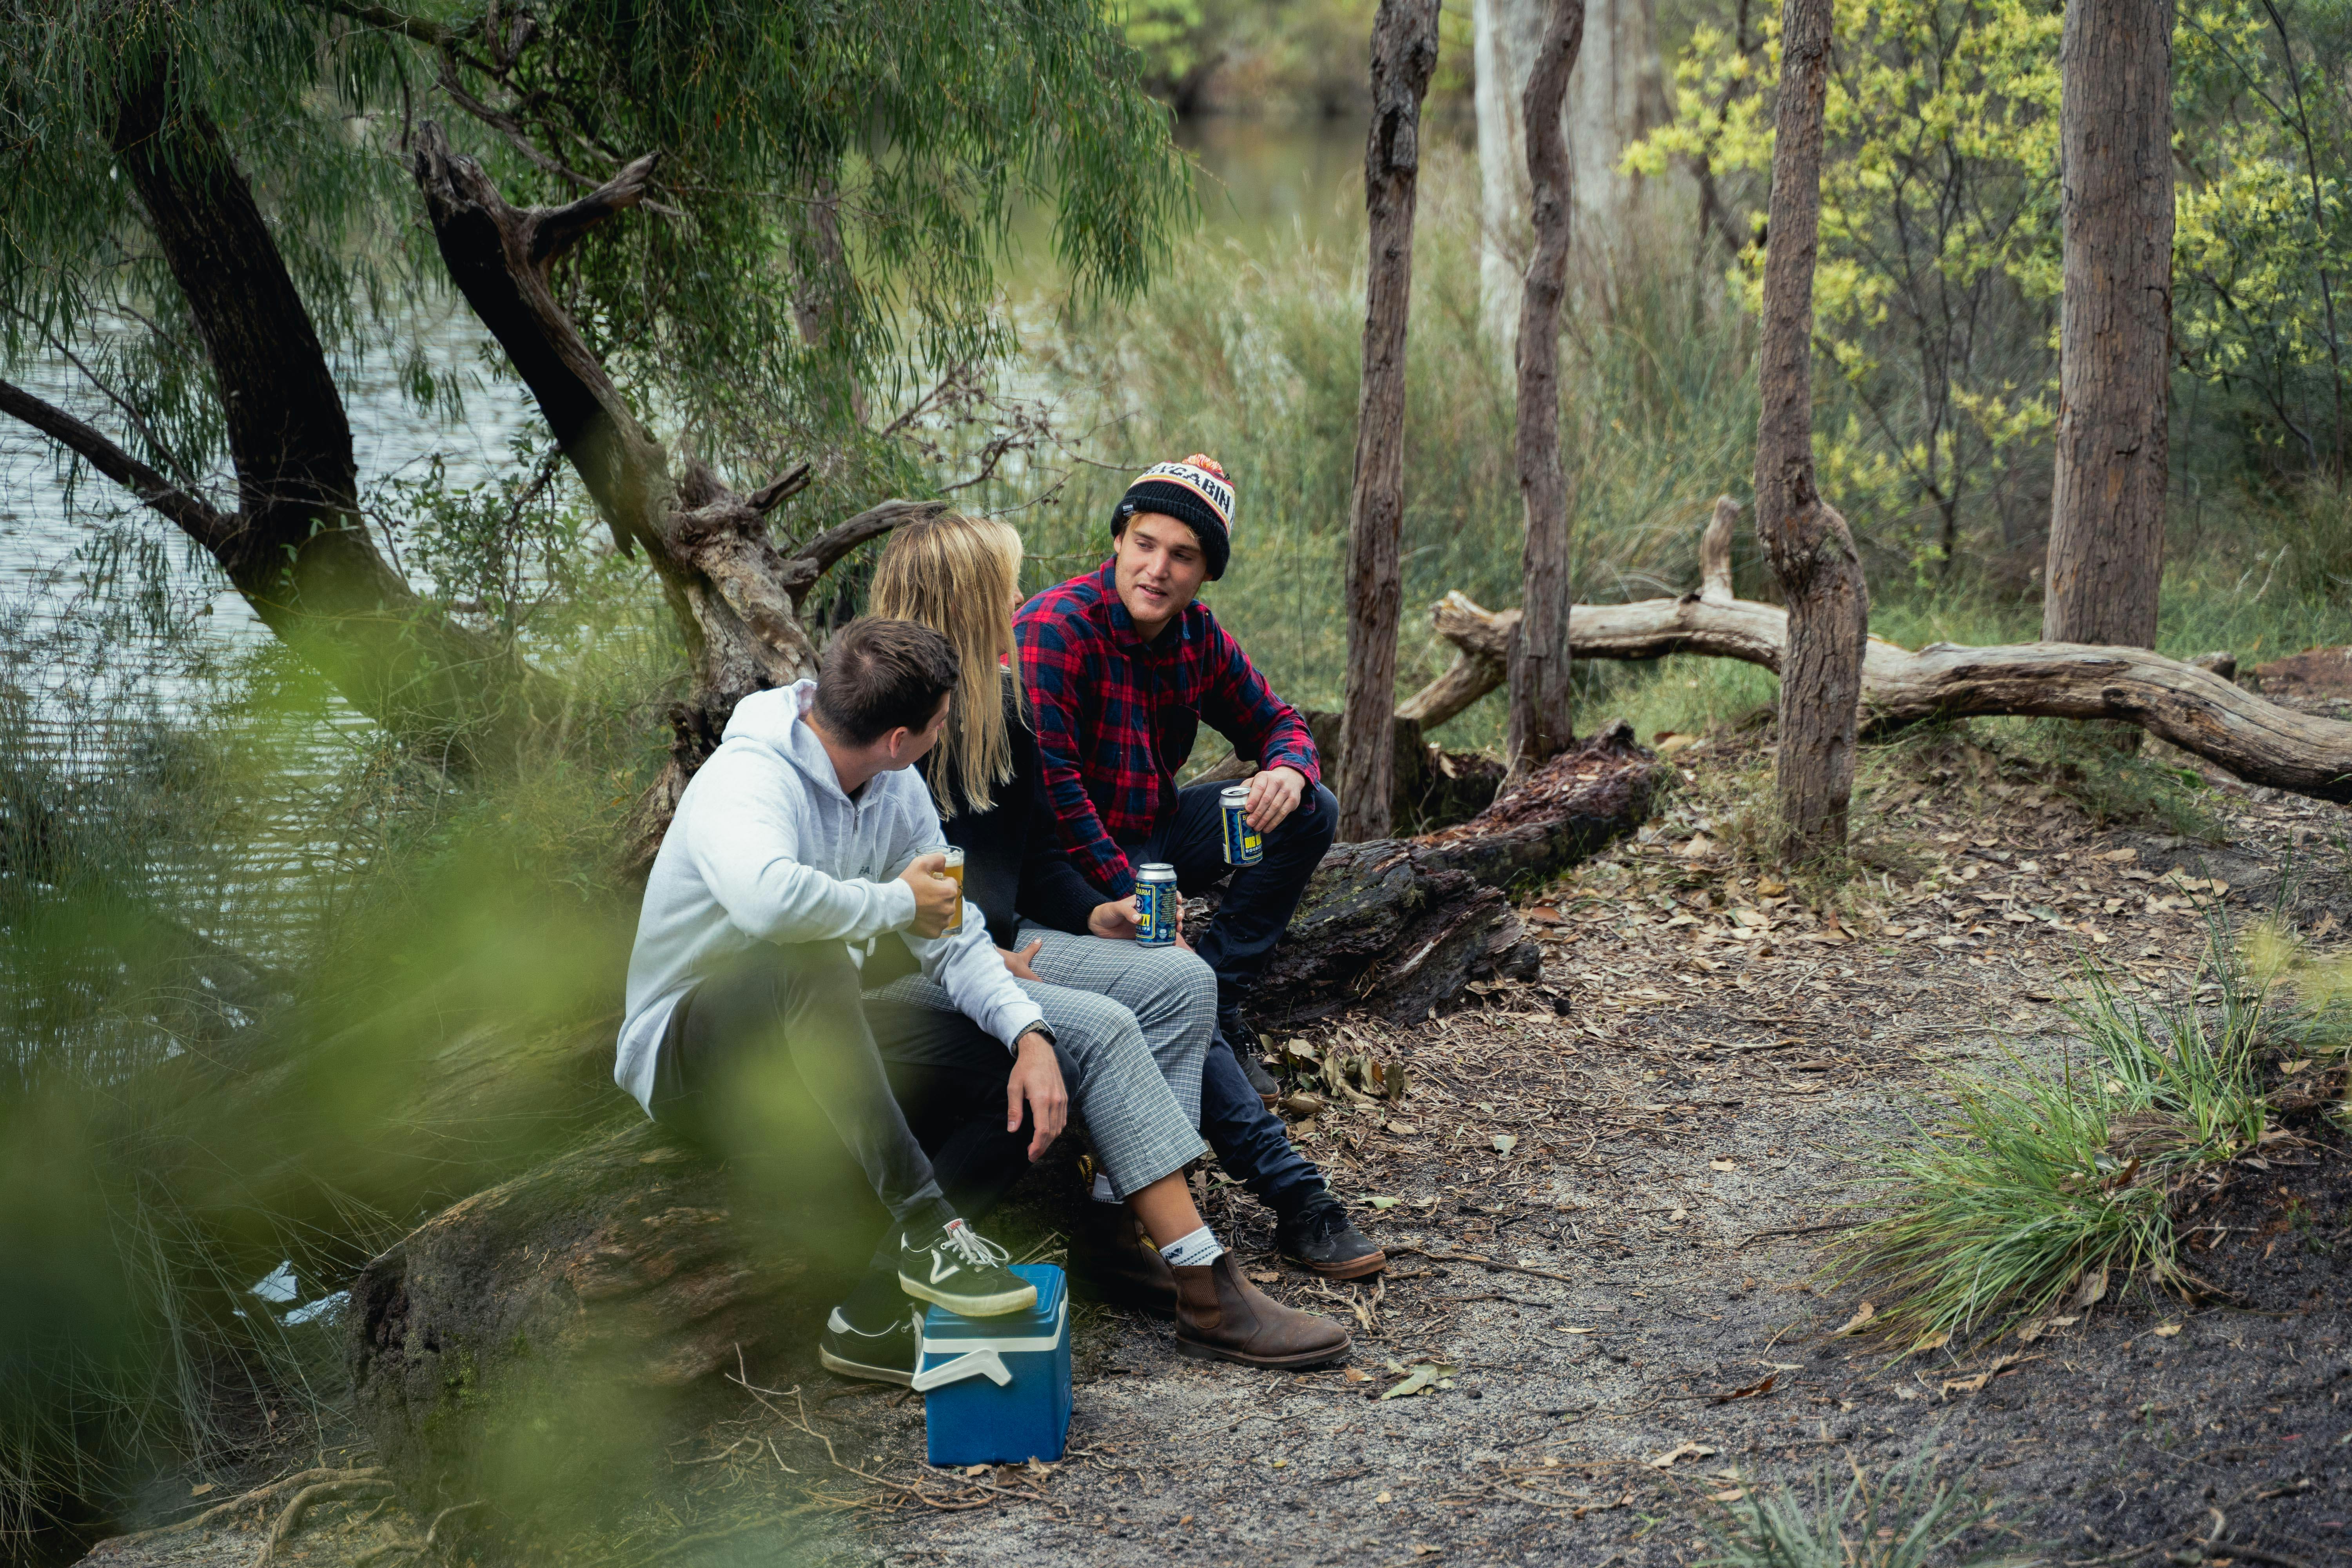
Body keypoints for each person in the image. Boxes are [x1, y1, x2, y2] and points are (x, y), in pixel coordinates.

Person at [617, 617, 1348, 1383]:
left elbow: (954, 929)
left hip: (823, 1035)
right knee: (807, 955)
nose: (948, 734)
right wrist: (897, 903)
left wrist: (1030, 1034)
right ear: (902, 735)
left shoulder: (892, 786)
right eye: (940, 724)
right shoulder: (748, 777)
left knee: (1033, 1077)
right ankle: (932, 1230)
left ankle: (870, 1318)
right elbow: (770, 906)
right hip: (693, 1055)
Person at [867, 513, 1384, 1292]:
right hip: (971, 941)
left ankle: (1125, 1218)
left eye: (1184, 554)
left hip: (1076, 889)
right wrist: (1107, 898)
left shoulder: (1010, 701)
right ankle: (1278, 1194)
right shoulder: (917, 723)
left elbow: (1031, 849)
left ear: (1206, 571)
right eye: (1147, 544)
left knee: (1196, 959)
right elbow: (1056, 815)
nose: (1020, 598)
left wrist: (1100, 913)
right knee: (1139, 997)